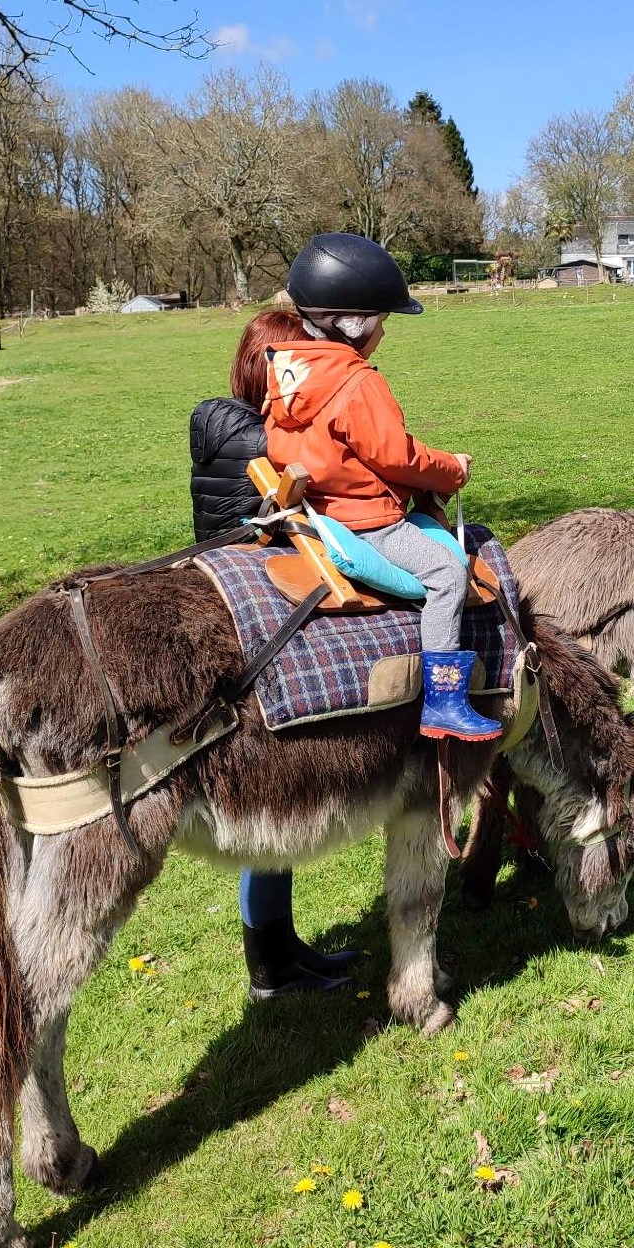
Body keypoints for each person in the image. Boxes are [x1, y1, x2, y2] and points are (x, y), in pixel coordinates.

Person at [265, 231, 501, 742]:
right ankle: (444, 700)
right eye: (383, 321)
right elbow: (397, 456)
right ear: (354, 323)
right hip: (367, 521)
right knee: (446, 572)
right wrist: (453, 470)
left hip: (317, 509)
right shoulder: (359, 382)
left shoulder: (288, 373)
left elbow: (321, 446)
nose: (384, 333)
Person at [190, 309, 356, 1000]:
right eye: (300, 361)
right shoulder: (251, 435)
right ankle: (271, 968)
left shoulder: (225, 424)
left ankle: (283, 953)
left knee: (275, 810)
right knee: (271, 799)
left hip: (253, 607)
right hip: (258, 622)